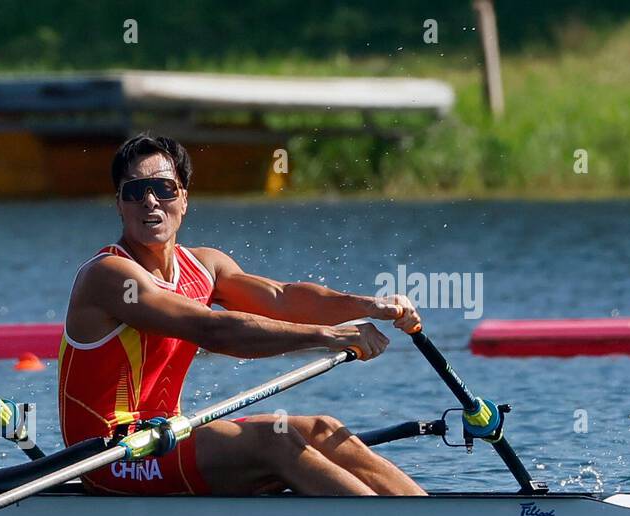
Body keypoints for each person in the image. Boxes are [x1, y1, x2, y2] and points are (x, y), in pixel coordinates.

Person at [58, 133, 427, 496]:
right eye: (135, 192)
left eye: (163, 188)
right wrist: (329, 337)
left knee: (321, 428)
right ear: (119, 204)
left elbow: (282, 299)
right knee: (272, 442)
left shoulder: (206, 265)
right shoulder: (108, 275)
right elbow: (213, 331)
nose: (150, 201)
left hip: (164, 438)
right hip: (109, 457)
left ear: (184, 199)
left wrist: (370, 305)